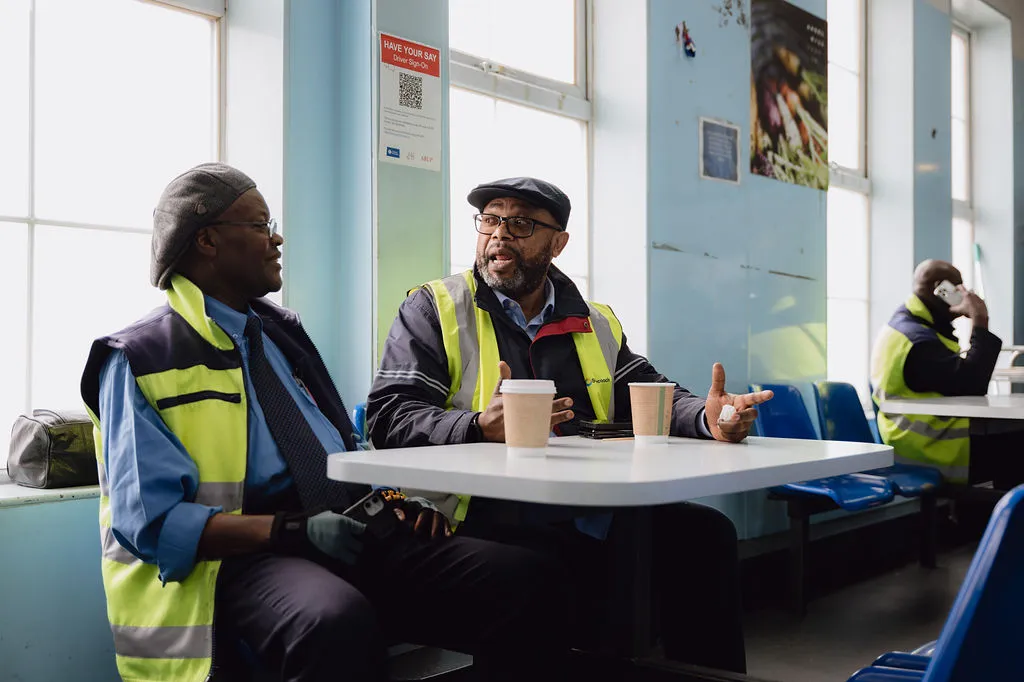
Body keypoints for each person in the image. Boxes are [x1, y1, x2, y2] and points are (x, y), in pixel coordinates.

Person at [80, 164, 569, 682]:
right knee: (332, 620)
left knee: (524, 576)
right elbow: (149, 524)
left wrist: (400, 499)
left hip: (344, 527)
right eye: (261, 226)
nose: (277, 238)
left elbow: (341, 444)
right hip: (242, 557)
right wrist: (292, 530)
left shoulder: (279, 334)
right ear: (208, 241)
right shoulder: (140, 356)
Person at [367, 176, 773, 673]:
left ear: (557, 244)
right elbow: (389, 415)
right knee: (541, 569)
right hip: (477, 513)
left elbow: (647, 392)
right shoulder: (435, 308)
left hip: (583, 508)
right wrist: (477, 426)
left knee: (703, 535)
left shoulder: (594, 320)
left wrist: (710, 419)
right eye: (490, 220)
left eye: (520, 224)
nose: (499, 235)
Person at [871, 259, 1024, 489]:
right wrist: (980, 319)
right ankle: (1003, 521)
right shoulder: (917, 340)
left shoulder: (912, 325)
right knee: (1017, 447)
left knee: (1013, 437)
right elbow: (973, 384)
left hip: (927, 440)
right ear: (939, 289)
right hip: (926, 448)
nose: (963, 294)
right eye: (957, 288)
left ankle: (995, 517)